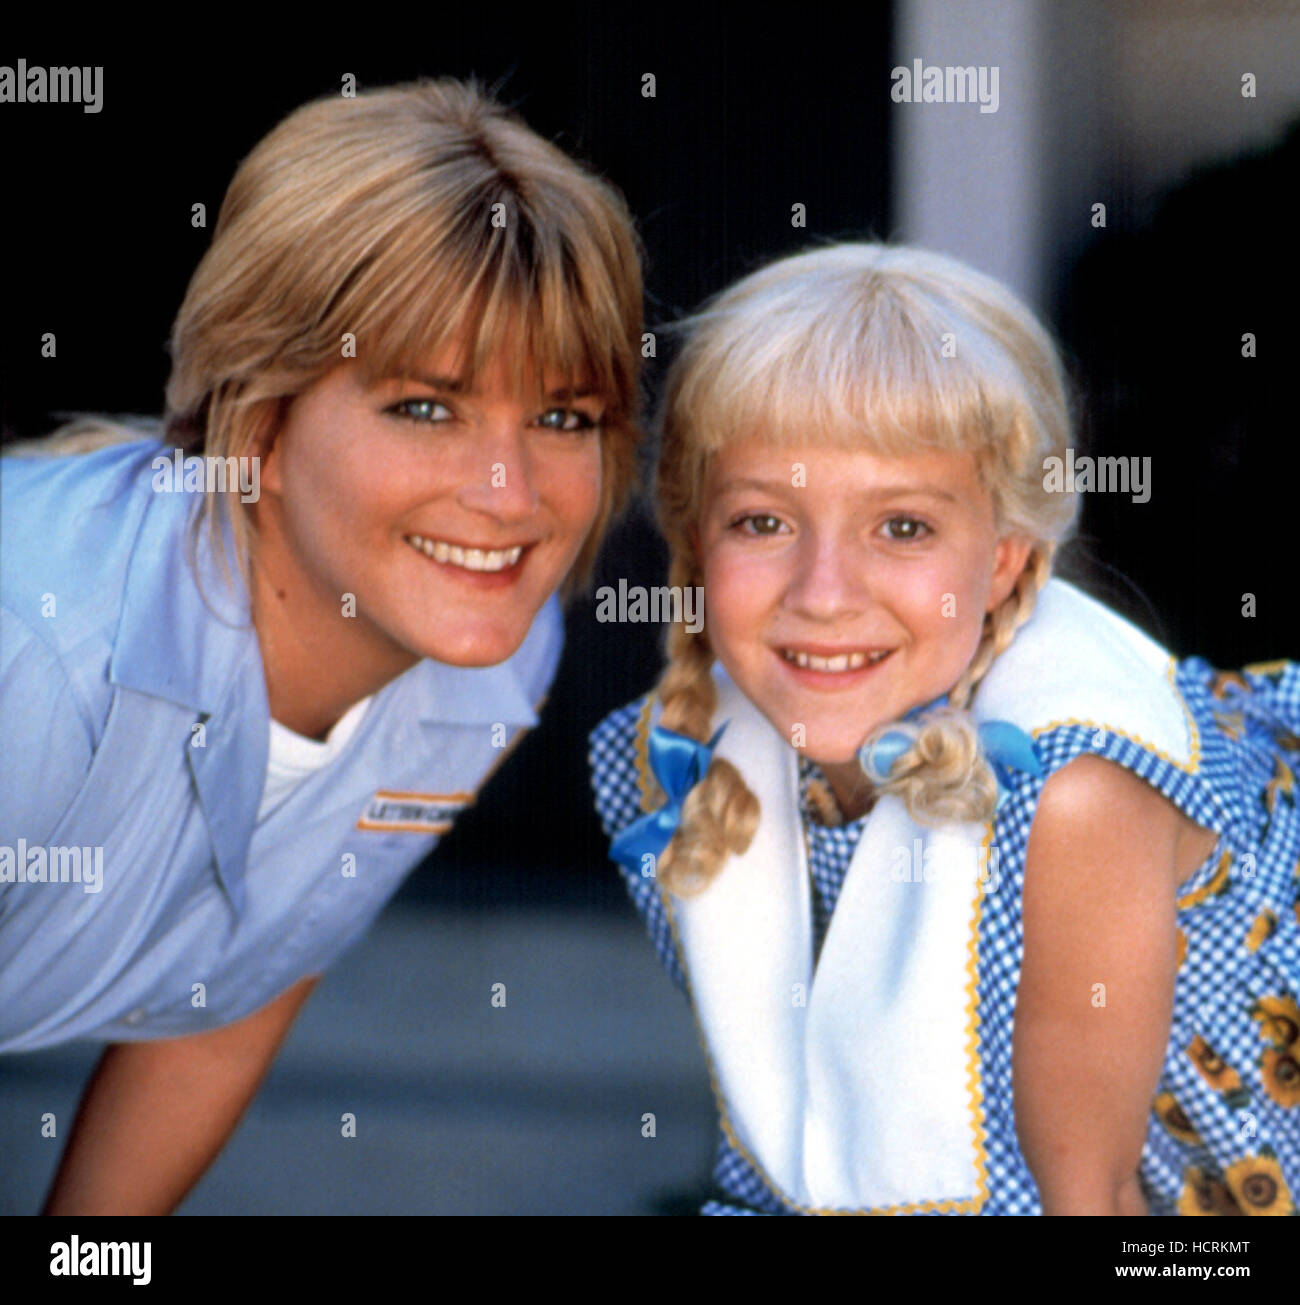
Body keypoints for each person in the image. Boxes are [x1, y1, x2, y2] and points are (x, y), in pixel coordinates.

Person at [0, 78, 644, 1214]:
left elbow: (227, 1000)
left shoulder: (492, 658)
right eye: (426, 408)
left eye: (562, 417)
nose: (508, 496)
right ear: (261, 421)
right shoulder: (36, 663)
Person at [589, 242, 1299, 1216]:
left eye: (903, 527)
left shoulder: (1075, 789)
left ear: (1005, 560)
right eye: (762, 522)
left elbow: (1094, 1204)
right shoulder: (690, 768)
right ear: (693, 534)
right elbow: (816, 1124)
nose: (823, 594)